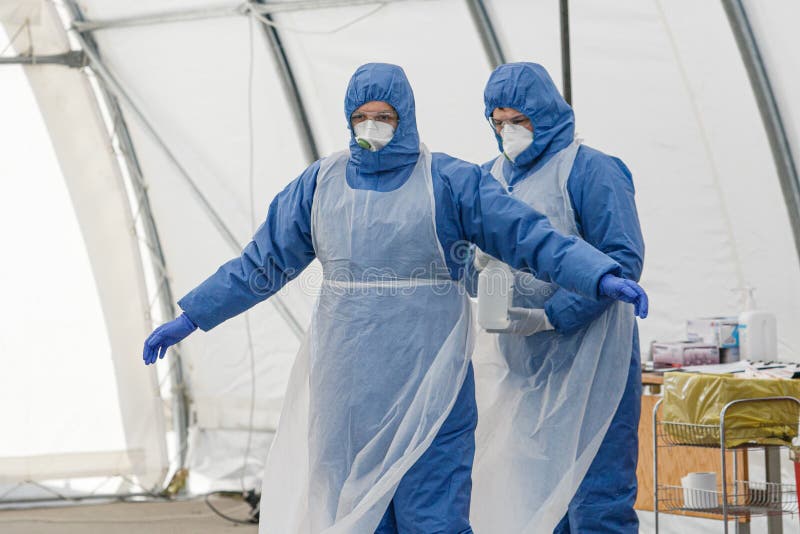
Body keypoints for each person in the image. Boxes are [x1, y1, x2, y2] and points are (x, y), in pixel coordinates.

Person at [142, 62, 647, 534]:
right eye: (360, 117)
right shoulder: (320, 184)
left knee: (435, 511)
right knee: (353, 508)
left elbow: (531, 238)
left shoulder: (450, 181)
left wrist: (599, 276)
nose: (371, 127)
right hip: (347, 390)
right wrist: (192, 316)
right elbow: (260, 264)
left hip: (433, 378)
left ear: (404, 117)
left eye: (383, 117)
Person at [470, 62, 645, 534]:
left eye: (519, 120)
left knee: (595, 499)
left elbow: (620, 259)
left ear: (545, 113)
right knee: (529, 498)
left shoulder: (591, 170)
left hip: (592, 356)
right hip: (519, 364)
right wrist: (478, 274)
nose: (508, 131)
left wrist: (551, 315)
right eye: (498, 121)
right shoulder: (487, 178)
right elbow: (462, 256)